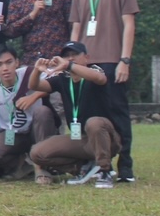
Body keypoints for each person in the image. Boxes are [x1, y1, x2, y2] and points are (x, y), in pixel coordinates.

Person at [68, 0, 139, 183]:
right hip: (86, 64)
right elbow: (76, 29)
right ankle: (96, 163)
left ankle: (125, 166)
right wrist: (73, 62)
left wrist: (124, 60)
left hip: (111, 61)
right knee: (90, 115)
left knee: (117, 113)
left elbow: (129, 24)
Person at [27, 42, 121, 188]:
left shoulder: (95, 72)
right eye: (67, 56)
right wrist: (37, 70)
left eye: (75, 54)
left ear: (86, 57)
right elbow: (34, 86)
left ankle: (104, 170)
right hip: (81, 139)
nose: (70, 58)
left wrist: (68, 65)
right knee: (37, 153)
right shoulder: (63, 79)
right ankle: (82, 169)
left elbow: (100, 79)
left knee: (94, 123)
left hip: (106, 139)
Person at [0, 45, 57, 179]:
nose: (5, 68)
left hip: (36, 129)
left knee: (43, 112)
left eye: (9, 62)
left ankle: (42, 169)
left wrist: (34, 96)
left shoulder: (29, 73)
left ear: (17, 62)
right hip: (12, 132)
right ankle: (22, 165)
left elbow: (55, 82)